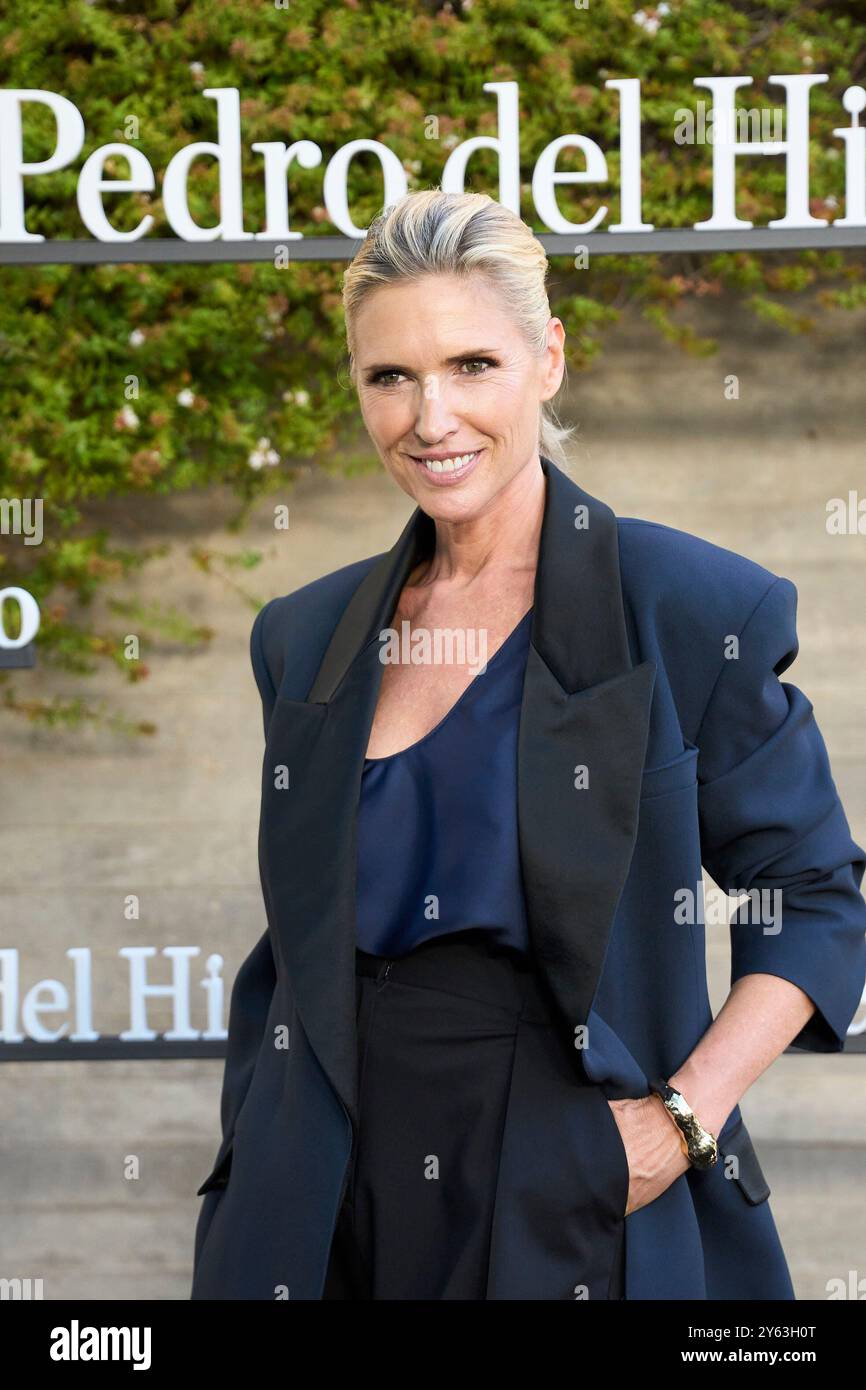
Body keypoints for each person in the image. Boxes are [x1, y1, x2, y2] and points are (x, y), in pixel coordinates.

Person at [190, 188, 866, 1301]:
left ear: (546, 358)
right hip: (318, 1186)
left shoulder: (686, 603)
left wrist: (674, 1124)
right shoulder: (301, 636)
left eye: (470, 366)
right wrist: (253, 1152)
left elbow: (812, 895)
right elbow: (294, 955)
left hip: (563, 1168)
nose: (430, 417)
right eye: (389, 377)